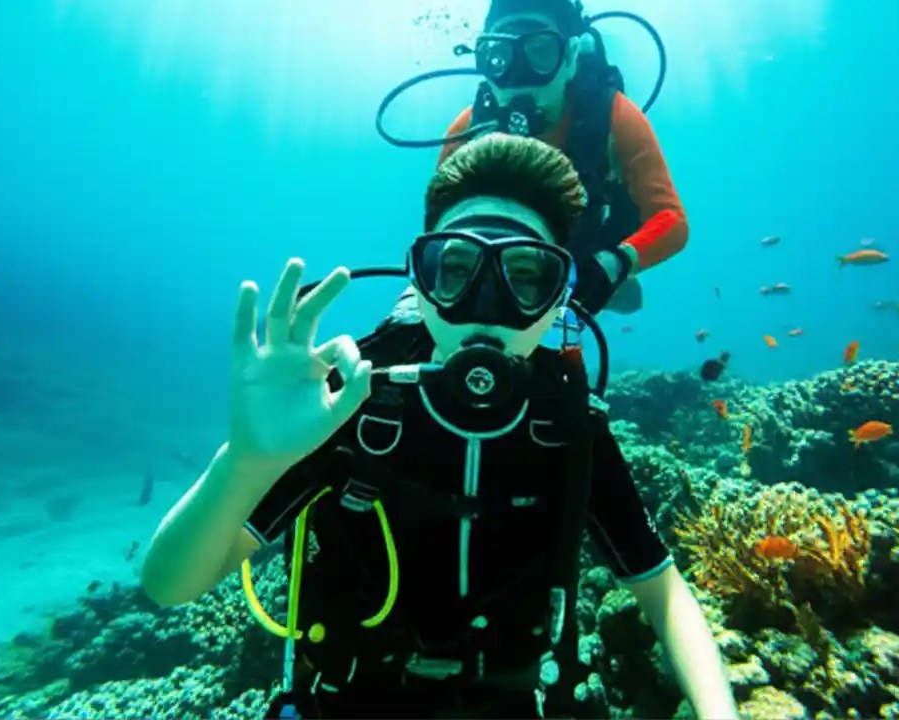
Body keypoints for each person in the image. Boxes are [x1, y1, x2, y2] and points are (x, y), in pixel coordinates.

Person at [141, 134, 736, 719]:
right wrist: (244, 461)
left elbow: (663, 594)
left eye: (526, 277)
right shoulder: (352, 404)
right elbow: (170, 584)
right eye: (456, 269)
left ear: (560, 299)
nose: (486, 305)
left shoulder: (568, 424)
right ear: (420, 285)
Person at [383, 0, 687, 325]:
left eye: (540, 52)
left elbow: (671, 220)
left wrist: (615, 262)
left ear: (571, 57)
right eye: (500, 56)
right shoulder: (468, 130)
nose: (517, 75)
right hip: (499, 260)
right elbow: (437, 236)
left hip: (583, 253)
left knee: (623, 301)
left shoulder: (613, 117)